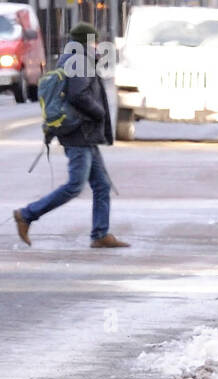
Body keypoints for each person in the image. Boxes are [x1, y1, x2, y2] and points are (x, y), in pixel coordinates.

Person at [13, 23, 130, 249]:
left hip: (83, 132)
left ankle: (100, 234)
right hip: (79, 132)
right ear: (87, 42)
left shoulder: (74, 58)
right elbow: (78, 94)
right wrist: (99, 113)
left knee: (102, 185)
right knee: (75, 185)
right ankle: (27, 215)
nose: (97, 45)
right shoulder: (79, 61)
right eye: (94, 41)